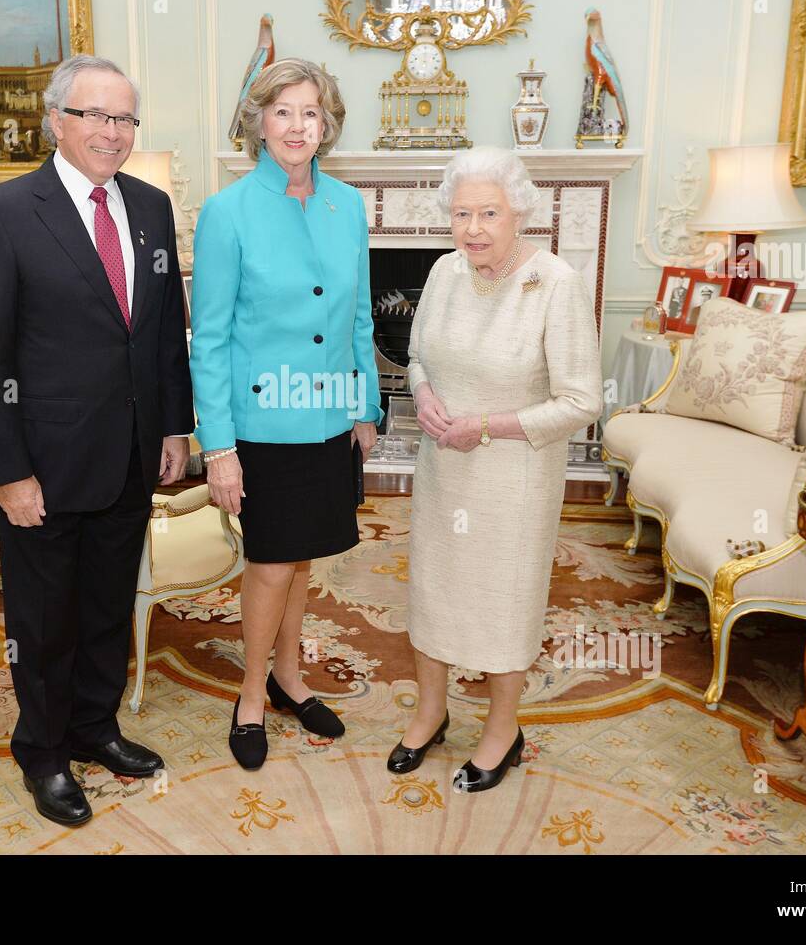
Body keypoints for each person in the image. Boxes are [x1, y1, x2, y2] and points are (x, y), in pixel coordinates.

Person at [0, 54, 193, 826]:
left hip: (130, 454)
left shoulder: (153, 209)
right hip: (46, 466)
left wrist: (172, 427)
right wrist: (9, 472)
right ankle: (44, 751)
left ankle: (95, 728)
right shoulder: (2, 213)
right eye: (95, 114)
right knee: (43, 616)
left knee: (103, 606)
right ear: (55, 120)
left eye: (125, 117)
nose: (112, 132)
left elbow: (164, 336)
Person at [190, 57, 383, 771]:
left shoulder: (348, 206)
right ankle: (249, 692)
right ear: (258, 123)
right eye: (283, 112)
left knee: (302, 559)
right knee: (271, 564)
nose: (297, 125)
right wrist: (219, 446)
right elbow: (207, 339)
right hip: (261, 426)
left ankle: (290, 677)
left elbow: (359, 313)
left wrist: (364, 407)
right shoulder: (227, 210)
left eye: (311, 112)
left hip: (329, 419)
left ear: (326, 125)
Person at [395, 146, 602, 793]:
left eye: (489, 212)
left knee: (502, 600)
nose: (474, 228)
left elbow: (581, 401)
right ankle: (431, 712)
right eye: (462, 213)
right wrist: (423, 394)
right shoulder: (442, 272)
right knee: (434, 586)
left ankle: (503, 729)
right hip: (443, 469)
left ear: (519, 213)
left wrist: (486, 426)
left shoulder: (556, 284)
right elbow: (418, 354)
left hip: (515, 476)